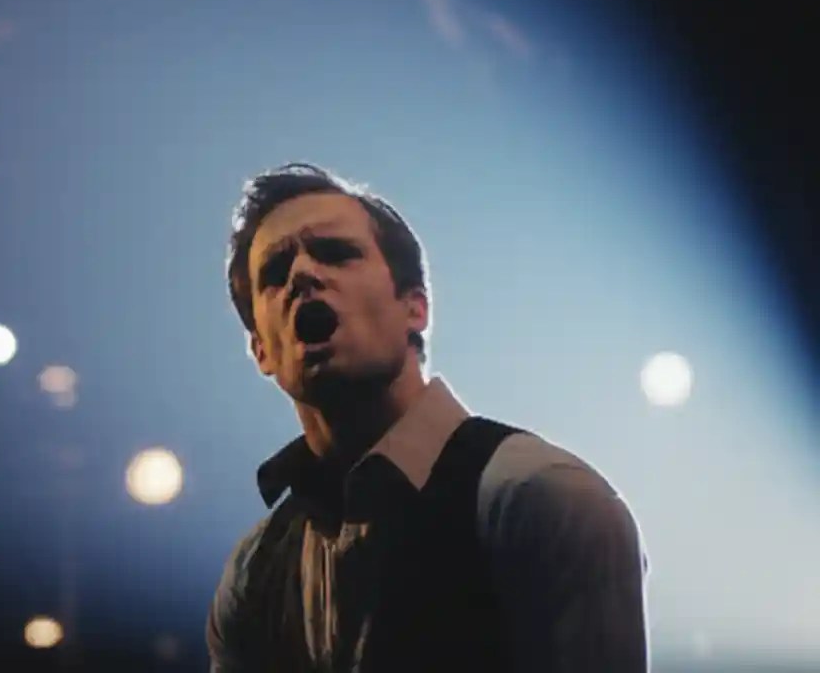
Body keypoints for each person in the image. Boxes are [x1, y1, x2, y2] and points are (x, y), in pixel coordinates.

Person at [207, 163, 649, 672]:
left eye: (336, 253)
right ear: (261, 350)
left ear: (414, 308)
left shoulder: (540, 498)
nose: (303, 275)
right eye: (275, 273)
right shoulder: (252, 572)